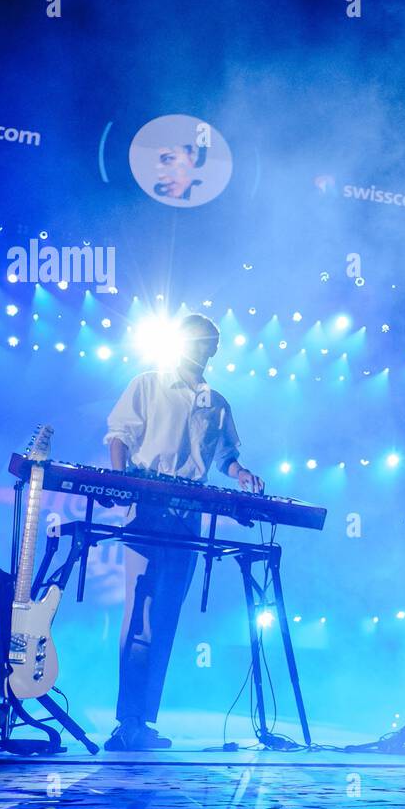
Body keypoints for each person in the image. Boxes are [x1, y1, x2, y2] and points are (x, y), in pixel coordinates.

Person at [102, 314, 264, 750]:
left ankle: (140, 723)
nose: (199, 347)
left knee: (166, 616)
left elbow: (226, 456)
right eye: (192, 340)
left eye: (206, 342)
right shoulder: (148, 383)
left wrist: (240, 472)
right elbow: (118, 435)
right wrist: (122, 481)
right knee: (141, 614)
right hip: (147, 502)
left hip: (189, 508)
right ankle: (127, 721)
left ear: (214, 349)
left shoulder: (218, 403)